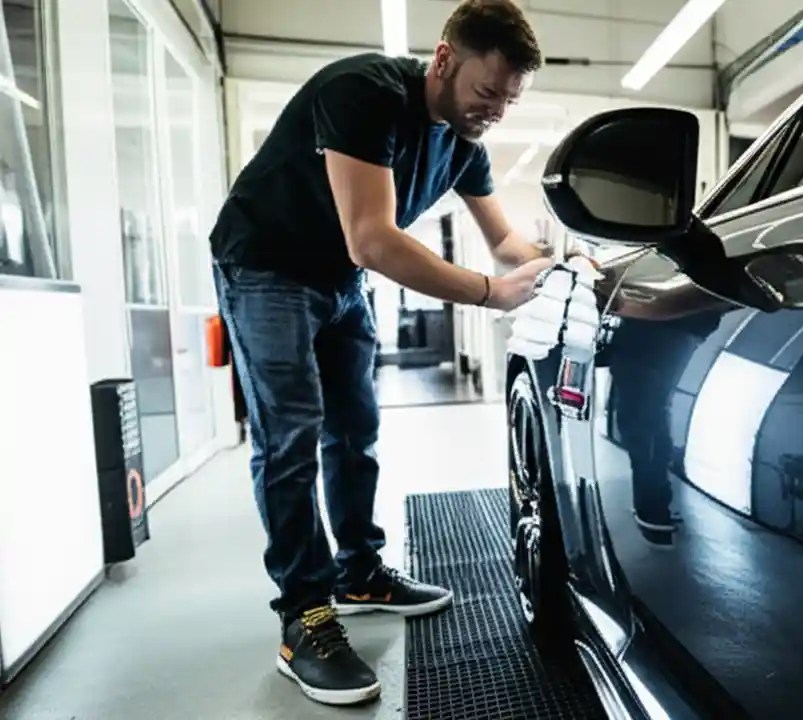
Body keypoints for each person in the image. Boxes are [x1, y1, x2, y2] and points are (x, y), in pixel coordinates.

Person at [208, 0, 582, 706]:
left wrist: (567, 263)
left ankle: (359, 573)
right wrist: (489, 294)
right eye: (485, 92)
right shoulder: (364, 93)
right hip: (265, 264)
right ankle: (304, 617)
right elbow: (374, 240)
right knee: (291, 433)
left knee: (356, 430)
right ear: (444, 60)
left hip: (338, 280)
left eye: (508, 100)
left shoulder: (464, 145)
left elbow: (505, 242)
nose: (494, 112)